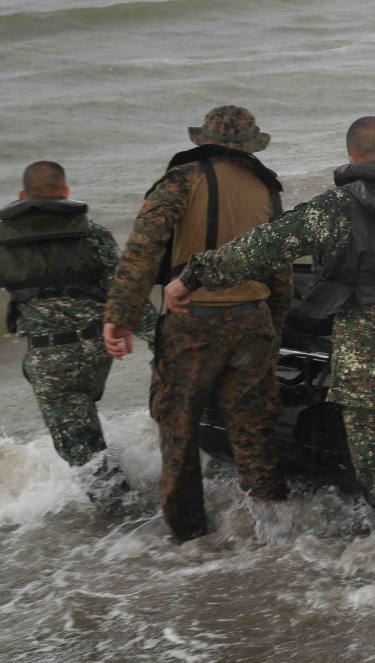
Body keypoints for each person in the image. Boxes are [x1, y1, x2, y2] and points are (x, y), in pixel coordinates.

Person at [165, 115, 375, 577]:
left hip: (372, 385)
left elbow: (260, 248)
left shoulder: (337, 209)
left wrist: (190, 276)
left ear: (351, 157)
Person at [103, 105, 291, 542]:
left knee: (178, 428)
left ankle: (187, 539)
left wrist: (120, 317)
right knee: (254, 429)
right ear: (249, 145)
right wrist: (274, 323)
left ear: (201, 140)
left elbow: (141, 252)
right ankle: (276, 534)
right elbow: (279, 268)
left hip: (193, 321)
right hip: (254, 320)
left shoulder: (181, 181)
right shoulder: (266, 188)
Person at [0, 161, 141, 505]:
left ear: (21, 196)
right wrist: (154, 332)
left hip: (51, 359)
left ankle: (125, 518)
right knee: (84, 422)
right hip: (98, 350)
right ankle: (130, 495)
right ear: (65, 193)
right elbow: (124, 288)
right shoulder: (94, 234)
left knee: (80, 448)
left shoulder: (1, 245)